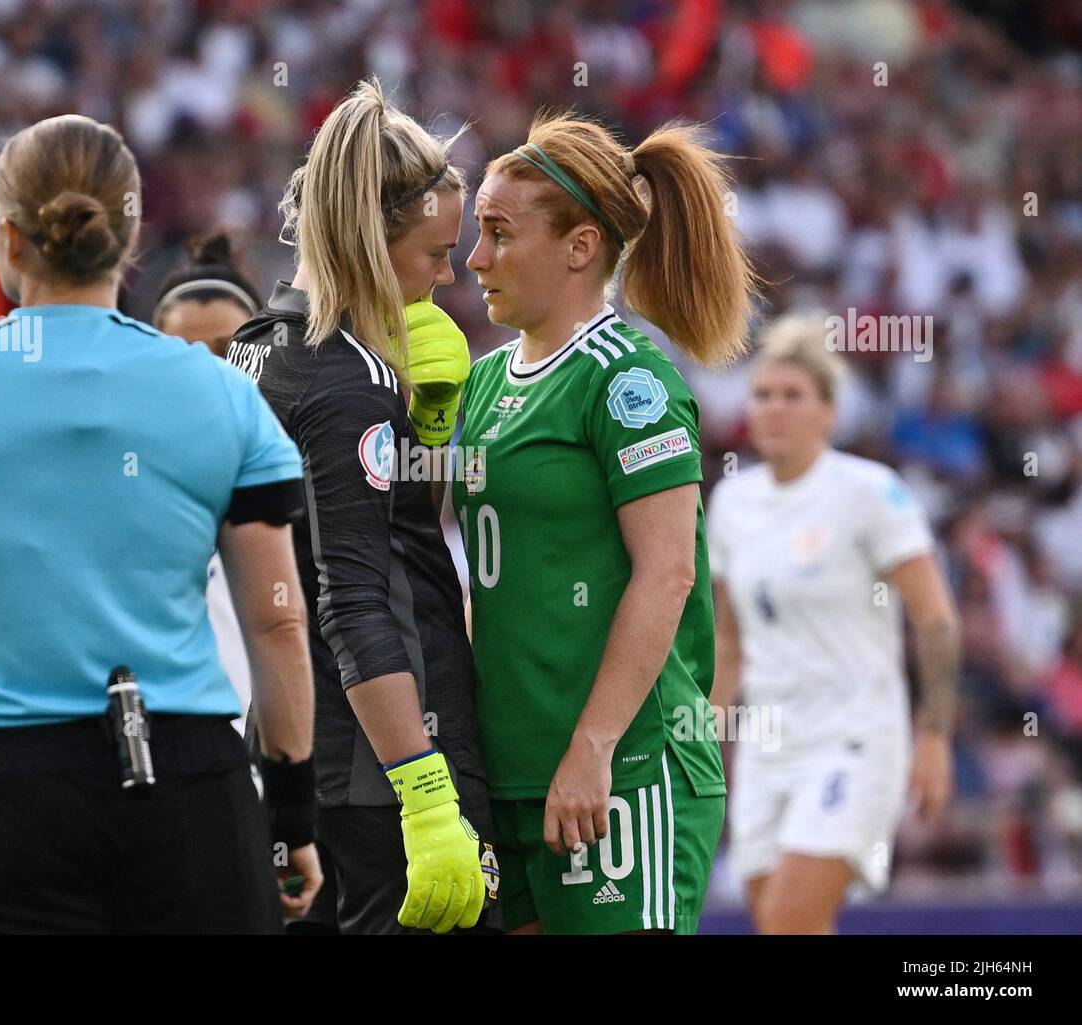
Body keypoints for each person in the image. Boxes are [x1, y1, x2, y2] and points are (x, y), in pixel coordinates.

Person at [0, 113, 321, 934]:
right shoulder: (223, 392)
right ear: (129, 244)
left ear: (8, 240)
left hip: (11, 800)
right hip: (194, 790)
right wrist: (293, 818)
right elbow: (277, 619)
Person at [454, 114, 756, 934]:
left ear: (581, 246)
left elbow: (669, 573)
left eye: (498, 233)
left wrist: (592, 746)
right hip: (514, 769)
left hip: (623, 768)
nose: (475, 257)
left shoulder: (629, 381)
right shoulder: (479, 385)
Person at [228, 78, 498, 935]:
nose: (448, 274)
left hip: (296, 747)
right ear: (369, 242)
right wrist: (425, 793)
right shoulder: (350, 378)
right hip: (390, 755)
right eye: (433, 253)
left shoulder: (254, 348)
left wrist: (421, 432)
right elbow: (357, 593)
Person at [708, 314, 960, 934]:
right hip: (769, 747)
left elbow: (934, 619)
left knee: (789, 924)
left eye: (793, 396)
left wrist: (933, 734)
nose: (774, 409)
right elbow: (730, 639)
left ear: (828, 411)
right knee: (786, 926)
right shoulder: (731, 504)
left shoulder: (870, 493)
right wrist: (708, 731)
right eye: (763, 395)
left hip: (854, 739)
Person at [151, 232, 263, 733]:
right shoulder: (124, 486)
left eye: (227, 349)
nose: (208, 369)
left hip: (289, 764)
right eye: (184, 351)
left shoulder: (314, 476)